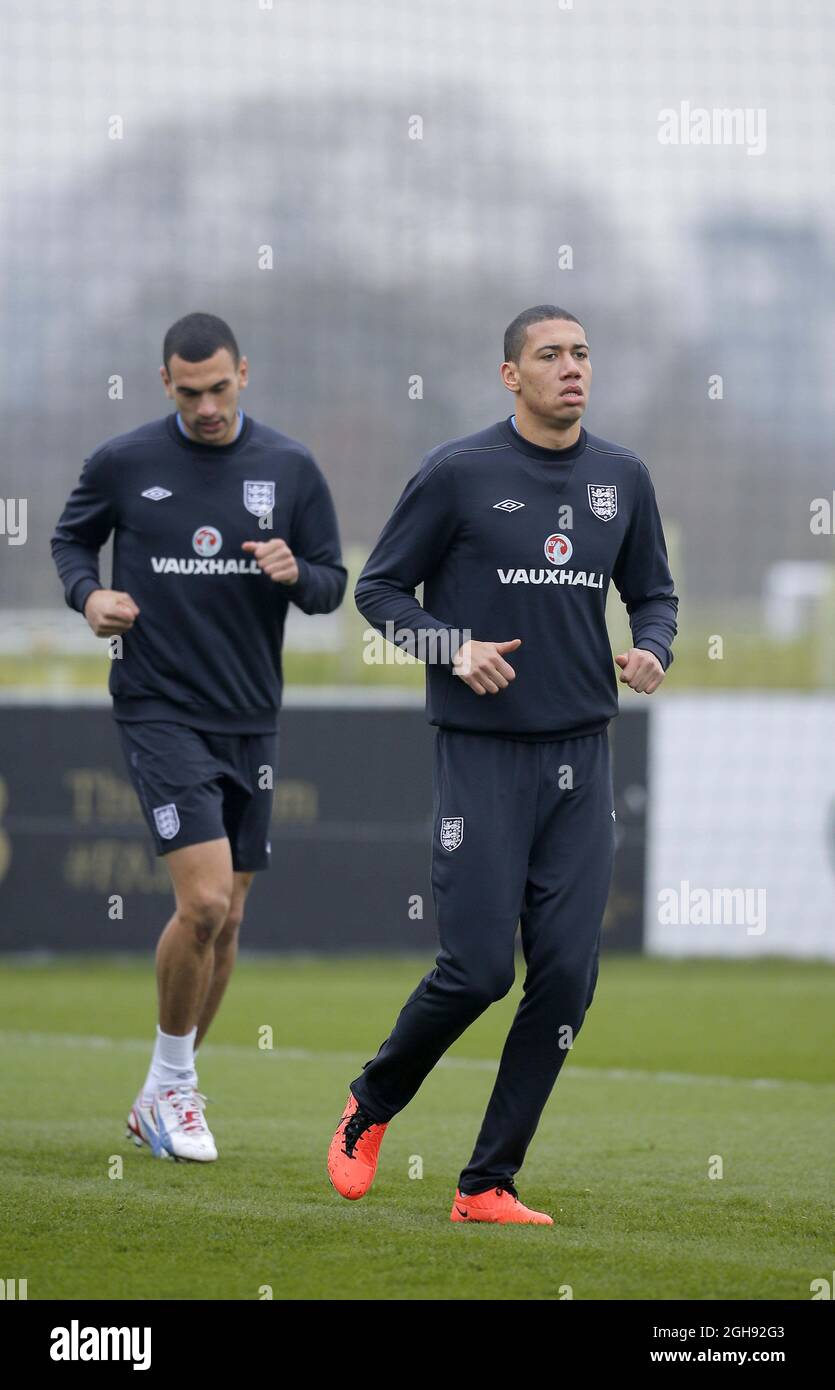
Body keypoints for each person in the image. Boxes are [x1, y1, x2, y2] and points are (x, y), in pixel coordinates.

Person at [327, 304, 677, 1223]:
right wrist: (450, 647)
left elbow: (654, 594)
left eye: (581, 354)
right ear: (509, 375)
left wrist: (653, 648)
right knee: (479, 969)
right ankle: (372, 1101)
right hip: (482, 759)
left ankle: (485, 1183)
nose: (571, 368)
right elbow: (378, 590)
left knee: (566, 977)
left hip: (581, 758)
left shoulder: (621, 478)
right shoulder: (458, 473)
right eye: (549, 355)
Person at [51, 311, 347, 1161]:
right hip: (158, 704)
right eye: (190, 392)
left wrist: (299, 575)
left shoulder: (288, 466)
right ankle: (176, 1088)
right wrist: (88, 598)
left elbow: (334, 582)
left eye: (220, 388)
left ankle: (161, 1093)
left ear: (243, 374)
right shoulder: (125, 461)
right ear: (165, 384)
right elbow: (72, 540)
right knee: (206, 899)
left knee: (230, 914)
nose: (208, 406)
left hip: (250, 713)